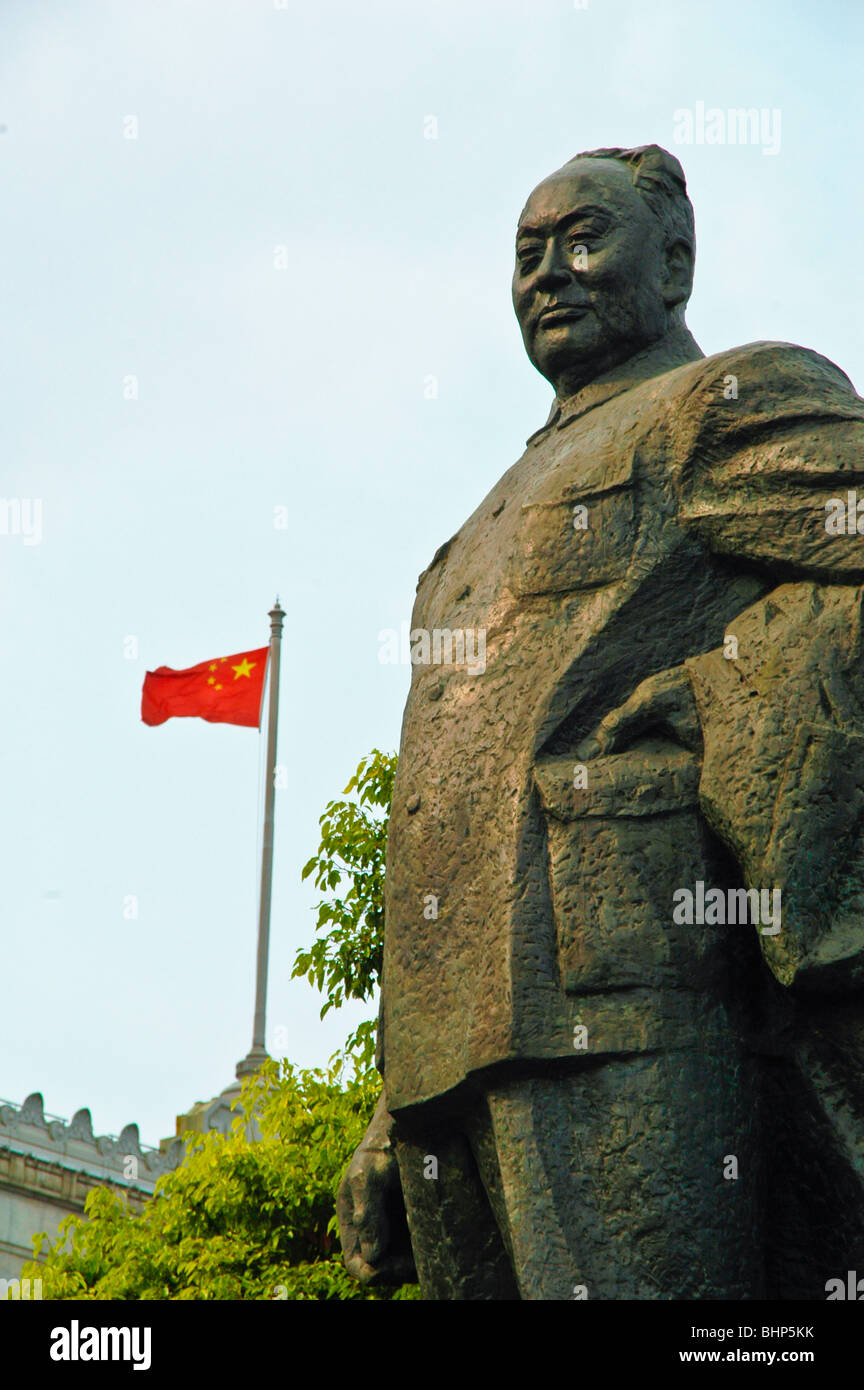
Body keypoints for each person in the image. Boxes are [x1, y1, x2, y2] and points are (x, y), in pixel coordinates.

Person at [337, 145, 864, 1299]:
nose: (548, 275)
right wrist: (391, 1097)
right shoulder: (481, 509)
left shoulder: (721, 402)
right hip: (448, 1054)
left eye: (583, 240)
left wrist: (723, 696)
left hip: (632, 988)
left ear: (674, 261)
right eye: (526, 256)